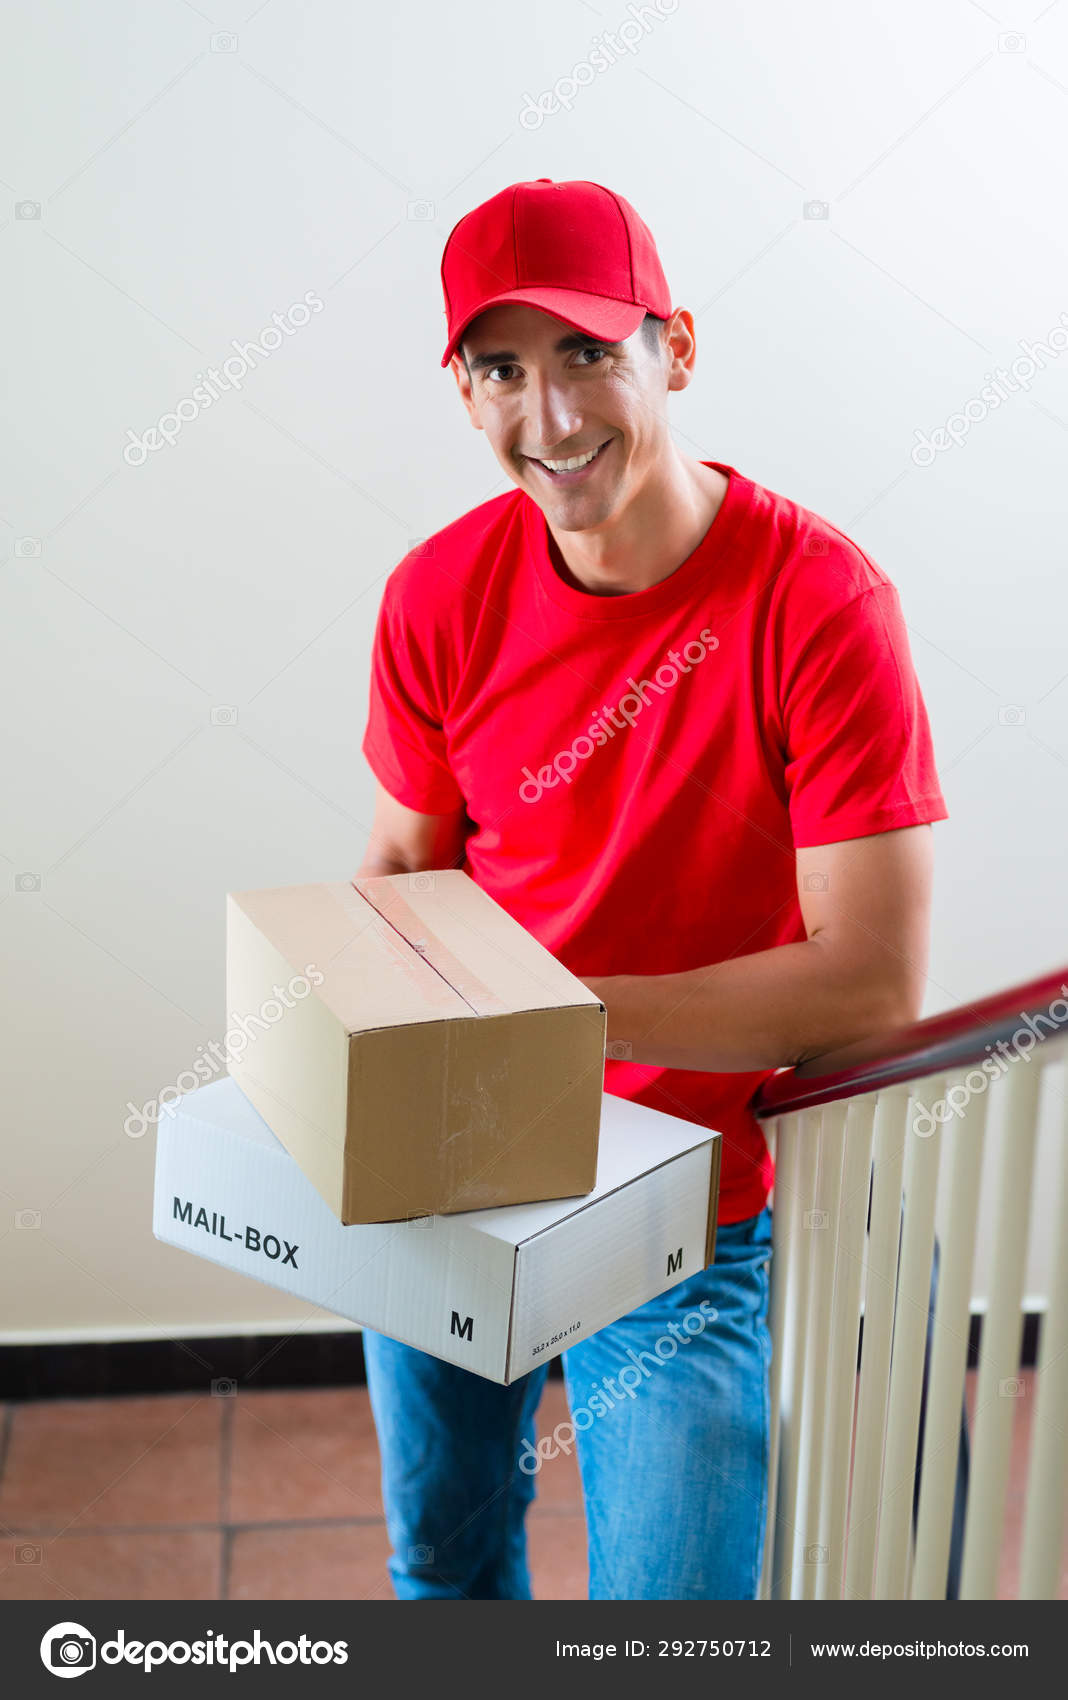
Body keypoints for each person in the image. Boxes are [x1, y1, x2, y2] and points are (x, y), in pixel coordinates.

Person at [355, 177, 949, 1601]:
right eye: (503, 369)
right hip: (458, 1154)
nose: (551, 417)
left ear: (674, 348)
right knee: (443, 1565)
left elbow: (871, 981)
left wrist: (556, 1018)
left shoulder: (820, 604)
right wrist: (337, 1029)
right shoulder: (436, 595)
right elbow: (402, 868)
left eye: (586, 353)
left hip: (687, 1195)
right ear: (463, 391)